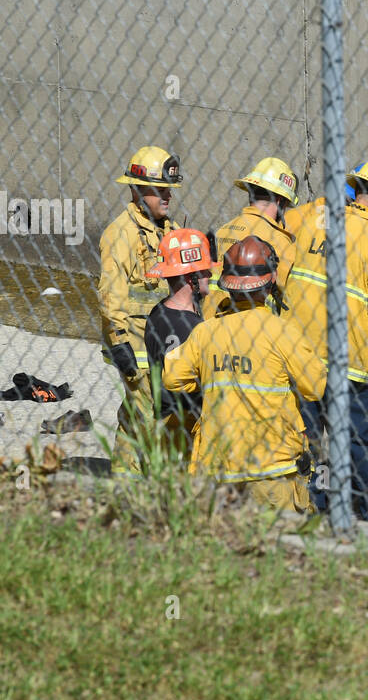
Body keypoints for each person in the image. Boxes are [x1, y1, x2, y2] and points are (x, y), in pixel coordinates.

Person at [162, 237, 325, 511]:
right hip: (272, 468)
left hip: (220, 466)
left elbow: (172, 377)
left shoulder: (206, 331)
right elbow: (315, 387)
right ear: (270, 281)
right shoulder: (282, 331)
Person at [285, 156, 368, 522]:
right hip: (346, 366)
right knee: (361, 446)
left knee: (307, 441)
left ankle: (312, 509)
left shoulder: (316, 220)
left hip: (300, 356)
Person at [98, 145, 182, 477]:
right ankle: (142, 482)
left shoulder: (169, 231)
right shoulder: (121, 234)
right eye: (159, 190)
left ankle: (126, 477)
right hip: (135, 348)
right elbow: (110, 296)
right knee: (148, 416)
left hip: (165, 344)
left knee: (139, 416)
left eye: (169, 190)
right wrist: (119, 346)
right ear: (137, 189)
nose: (167, 197)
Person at [144, 228, 213, 460]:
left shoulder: (158, 312)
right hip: (184, 427)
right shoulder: (190, 329)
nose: (210, 275)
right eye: (204, 270)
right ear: (189, 276)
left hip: (163, 424)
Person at [204, 157, 300, 320]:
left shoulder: (223, 231)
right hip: (254, 330)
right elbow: (288, 298)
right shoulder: (279, 242)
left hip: (211, 326)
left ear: (251, 193)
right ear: (280, 201)